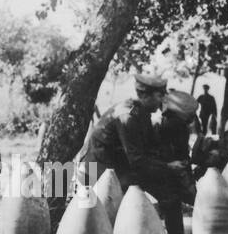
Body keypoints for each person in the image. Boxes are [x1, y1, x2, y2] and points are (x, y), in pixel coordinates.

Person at [82, 74, 192, 211]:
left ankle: (174, 231)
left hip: (117, 166)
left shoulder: (142, 113)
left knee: (170, 195)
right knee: (114, 211)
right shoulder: (128, 116)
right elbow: (137, 160)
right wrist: (168, 166)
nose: (162, 101)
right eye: (159, 96)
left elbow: (149, 148)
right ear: (146, 96)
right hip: (98, 170)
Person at [154, 89, 198, 234]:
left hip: (167, 169)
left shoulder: (165, 122)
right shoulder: (176, 125)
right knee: (173, 206)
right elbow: (178, 153)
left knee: (172, 207)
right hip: (170, 171)